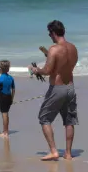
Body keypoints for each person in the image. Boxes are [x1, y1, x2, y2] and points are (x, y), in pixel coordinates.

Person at [29, 20, 79, 161]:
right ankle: (68, 153)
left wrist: (35, 70)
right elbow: (67, 66)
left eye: (49, 34)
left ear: (53, 33)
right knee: (69, 121)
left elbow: (47, 71)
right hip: (70, 87)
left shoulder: (54, 49)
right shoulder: (73, 48)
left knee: (44, 118)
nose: (49, 36)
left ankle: (53, 151)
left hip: (57, 89)